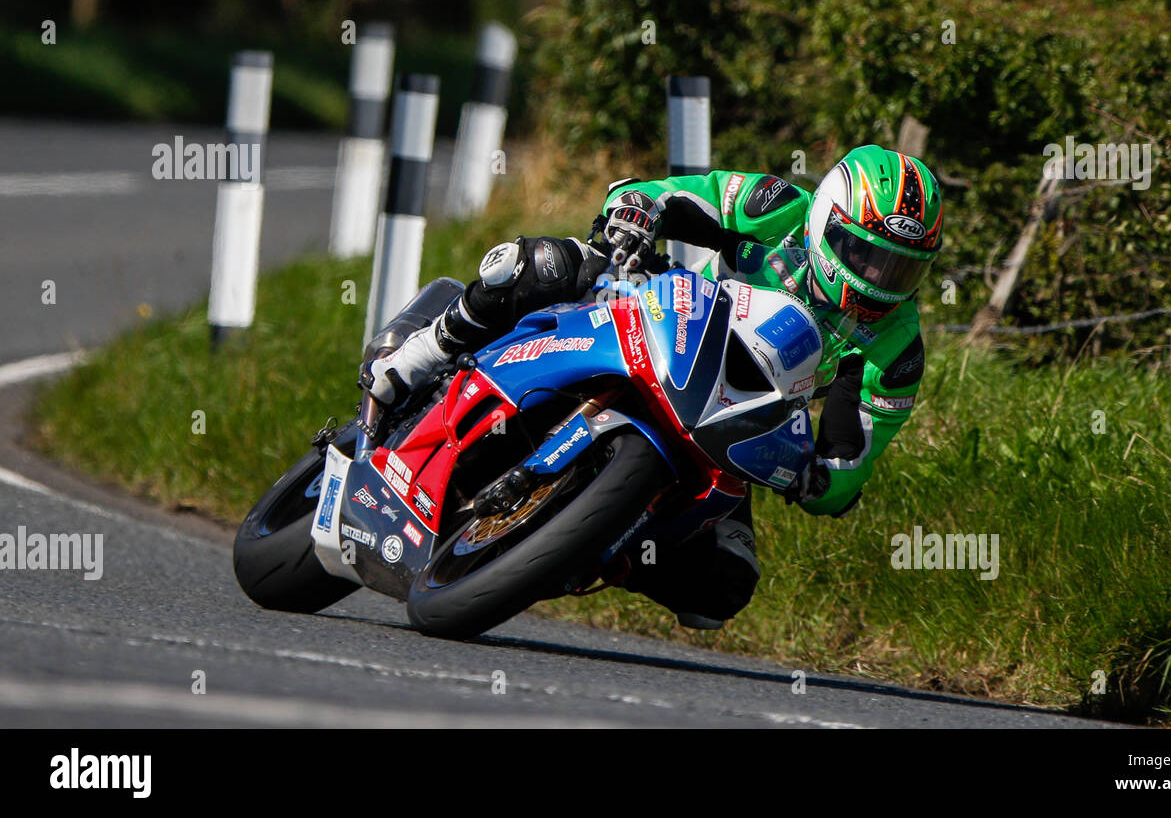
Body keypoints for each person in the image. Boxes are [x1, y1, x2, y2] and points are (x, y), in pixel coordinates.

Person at [361, 144, 943, 628]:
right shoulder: (778, 206)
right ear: (824, 224)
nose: (877, 281)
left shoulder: (898, 346)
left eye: (900, 270)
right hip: (662, 319)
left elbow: (854, 453)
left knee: (725, 587)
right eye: (865, 256)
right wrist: (638, 213)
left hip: (731, 417)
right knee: (543, 264)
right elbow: (668, 195)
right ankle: (423, 351)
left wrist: (821, 478)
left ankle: (589, 543)